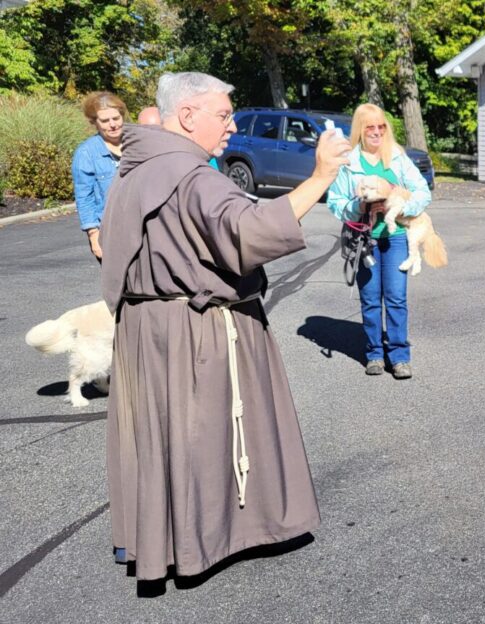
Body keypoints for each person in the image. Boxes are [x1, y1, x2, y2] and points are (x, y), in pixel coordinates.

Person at [98, 72, 350, 581]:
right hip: (194, 326)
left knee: (163, 436)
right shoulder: (191, 175)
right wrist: (321, 176)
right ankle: (200, 545)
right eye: (223, 114)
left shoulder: (135, 166)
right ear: (187, 115)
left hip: (146, 329)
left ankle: (162, 543)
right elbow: (248, 231)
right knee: (199, 432)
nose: (232, 126)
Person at [327, 104, 431, 380]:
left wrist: (402, 206)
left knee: (396, 298)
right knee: (371, 299)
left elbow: (422, 191)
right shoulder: (349, 163)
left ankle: (399, 356)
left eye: (381, 126)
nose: (376, 132)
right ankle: (374, 353)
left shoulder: (397, 158)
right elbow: (334, 201)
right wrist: (358, 208)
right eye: (370, 127)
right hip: (364, 239)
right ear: (360, 130)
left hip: (395, 238)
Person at [72, 92, 127, 261]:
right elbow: (84, 196)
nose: (112, 125)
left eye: (116, 118)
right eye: (105, 121)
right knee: (120, 285)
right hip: (109, 231)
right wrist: (93, 235)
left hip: (142, 228)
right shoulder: (86, 153)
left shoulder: (137, 144)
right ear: (95, 122)